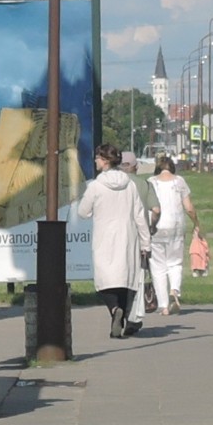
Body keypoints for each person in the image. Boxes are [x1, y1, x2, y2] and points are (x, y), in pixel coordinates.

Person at [78, 143, 152, 340]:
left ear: (104, 161)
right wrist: (146, 243)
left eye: (97, 158)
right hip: (128, 236)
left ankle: (114, 309)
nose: (95, 161)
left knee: (105, 279)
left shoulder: (95, 186)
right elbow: (139, 216)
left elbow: (82, 212)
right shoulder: (130, 185)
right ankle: (122, 312)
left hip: (104, 236)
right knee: (125, 278)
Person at [147, 154, 196, 315]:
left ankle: (163, 306)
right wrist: (197, 223)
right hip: (176, 227)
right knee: (175, 262)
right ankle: (174, 290)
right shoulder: (179, 181)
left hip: (156, 227)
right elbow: (188, 207)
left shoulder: (151, 182)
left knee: (158, 267)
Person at [119, 152, 158, 336]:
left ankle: (117, 311)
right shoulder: (144, 184)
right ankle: (133, 317)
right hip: (138, 235)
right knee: (136, 277)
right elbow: (156, 209)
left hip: (115, 236)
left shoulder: (112, 183)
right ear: (136, 166)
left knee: (118, 276)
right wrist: (152, 226)